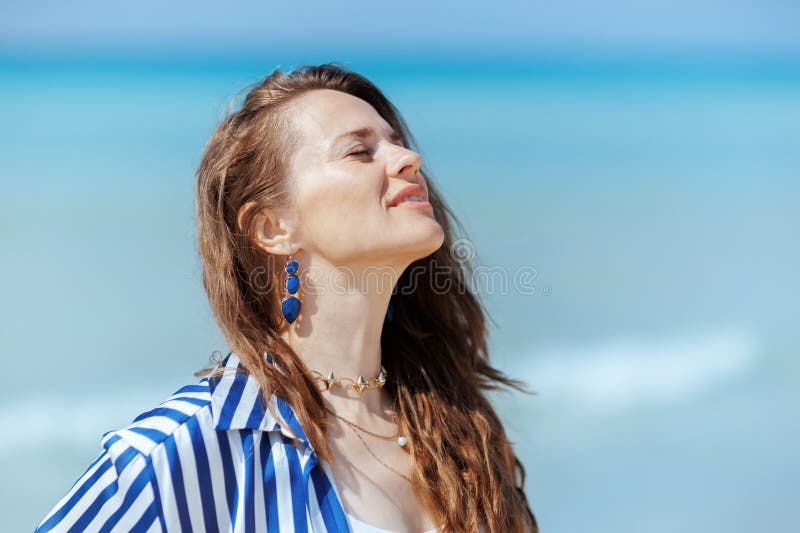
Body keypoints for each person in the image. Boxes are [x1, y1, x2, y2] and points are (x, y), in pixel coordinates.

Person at [34, 62, 539, 533]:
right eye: (360, 151)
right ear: (273, 228)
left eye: (397, 143)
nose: (410, 159)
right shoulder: (181, 451)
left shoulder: (457, 430)